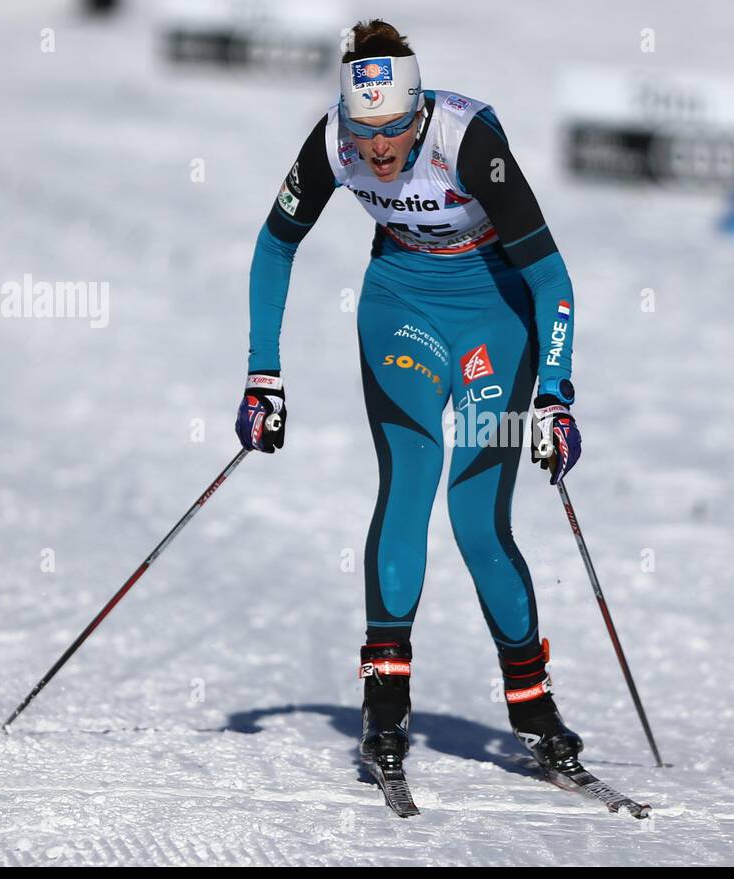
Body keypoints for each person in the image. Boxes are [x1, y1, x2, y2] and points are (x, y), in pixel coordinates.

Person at [236, 19, 584, 778]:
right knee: (408, 484)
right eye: (367, 132)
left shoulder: (468, 141)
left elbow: (552, 280)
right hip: (401, 306)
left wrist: (554, 395)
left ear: (418, 111)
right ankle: (385, 698)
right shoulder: (331, 141)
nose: (381, 149)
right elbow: (274, 245)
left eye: (393, 129)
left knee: (475, 515)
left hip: (496, 310)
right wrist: (265, 373)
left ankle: (531, 700)